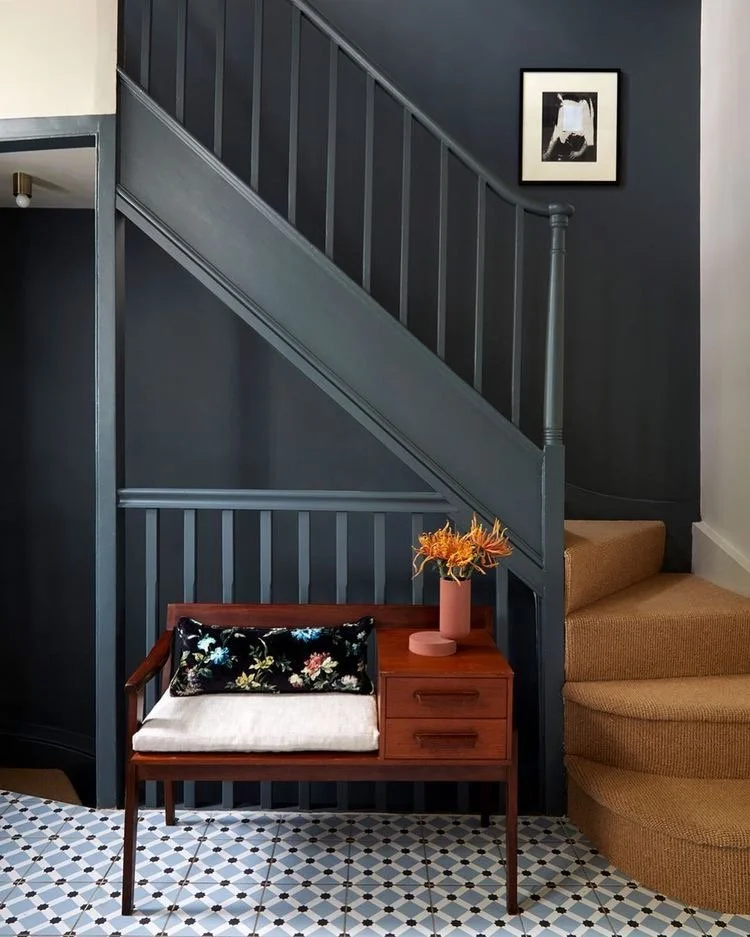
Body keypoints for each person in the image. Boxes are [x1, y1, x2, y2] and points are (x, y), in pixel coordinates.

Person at [542, 93, 595, 161]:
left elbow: (589, 134)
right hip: (567, 142)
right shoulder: (562, 109)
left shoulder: (584, 106)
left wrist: (579, 152)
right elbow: (555, 134)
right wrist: (548, 153)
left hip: (579, 143)